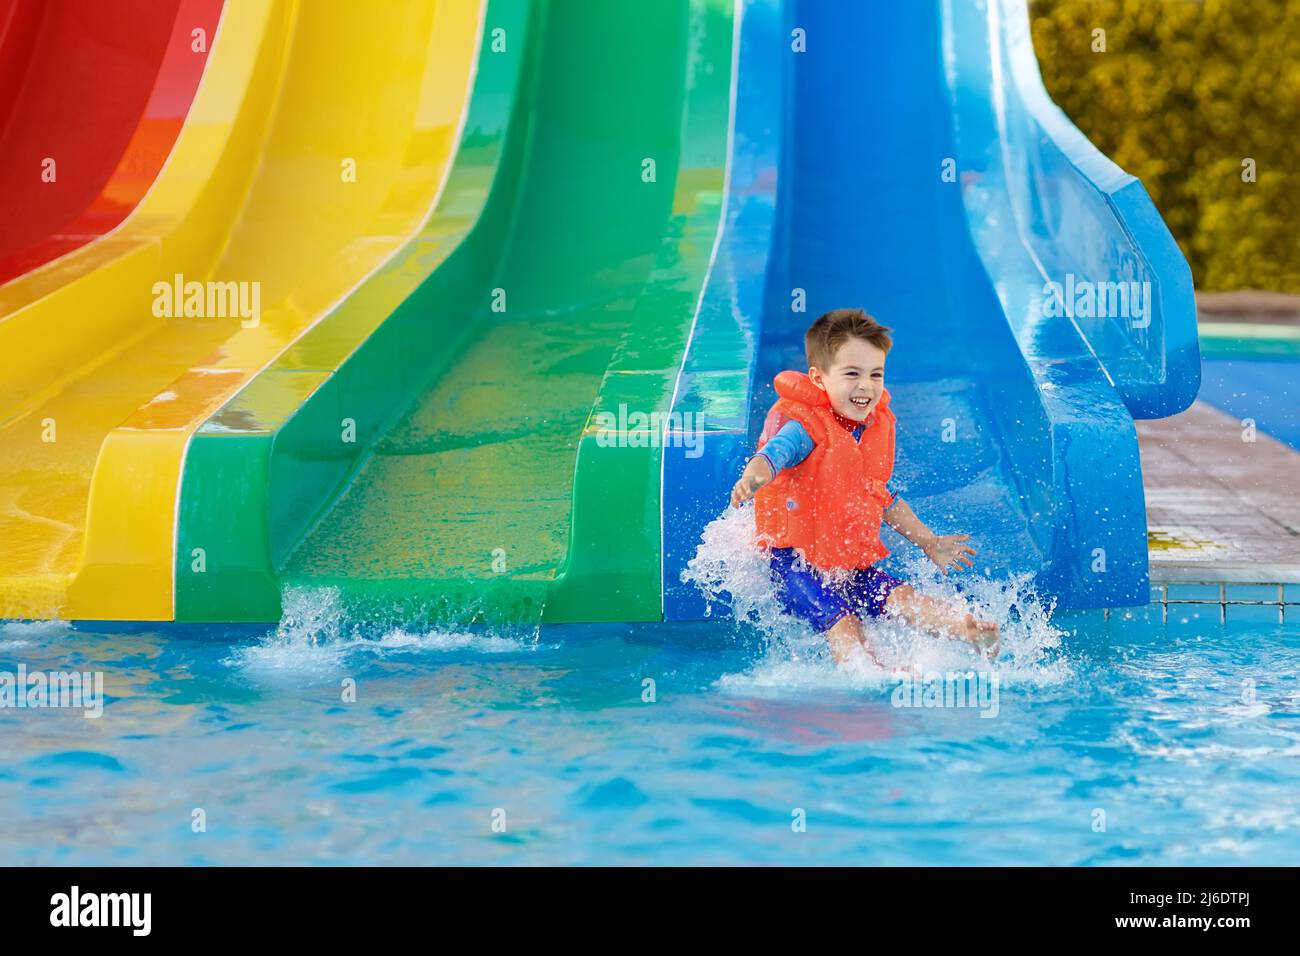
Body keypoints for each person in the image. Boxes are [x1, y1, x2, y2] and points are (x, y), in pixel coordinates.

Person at [730, 308, 1000, 666]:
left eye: (876, 374)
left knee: (900, 596)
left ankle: (964, 630)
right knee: (843, 621)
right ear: (818, 378)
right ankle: (868, 672)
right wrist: (754, 476)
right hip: (791, 564)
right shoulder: (805, 428)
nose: (866, 386)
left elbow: (881, 497)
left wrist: (929, 542)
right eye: (852, 374)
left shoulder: (865, 431)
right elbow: (773, 454)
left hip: (842, 560)